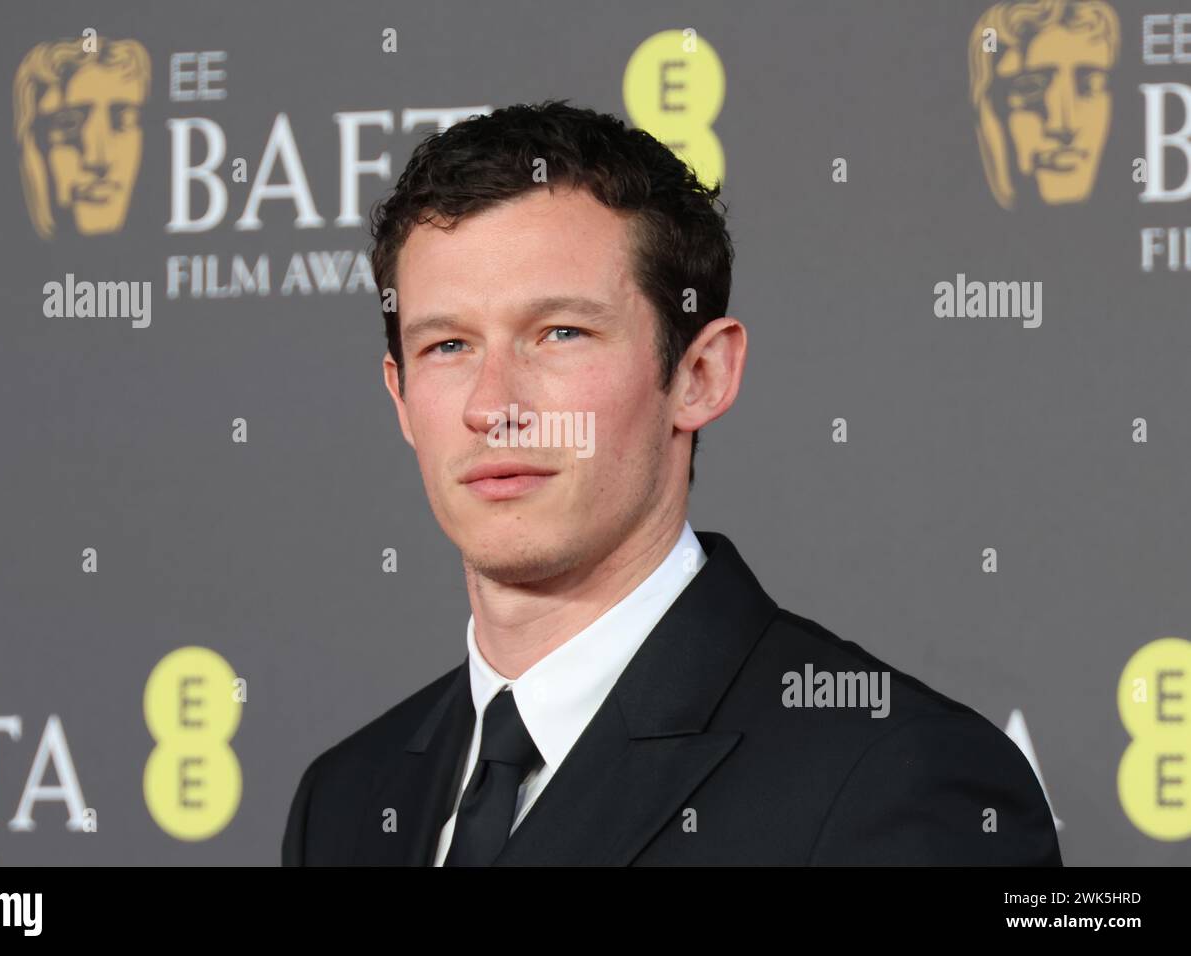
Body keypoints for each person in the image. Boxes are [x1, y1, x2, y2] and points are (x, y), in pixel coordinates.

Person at [281, 100, 1063, 866]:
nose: (493, 407)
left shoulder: (897, 778)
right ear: (401, 397)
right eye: (448, 346)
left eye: (560, 334)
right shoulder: (347, 798)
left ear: (699, 374)